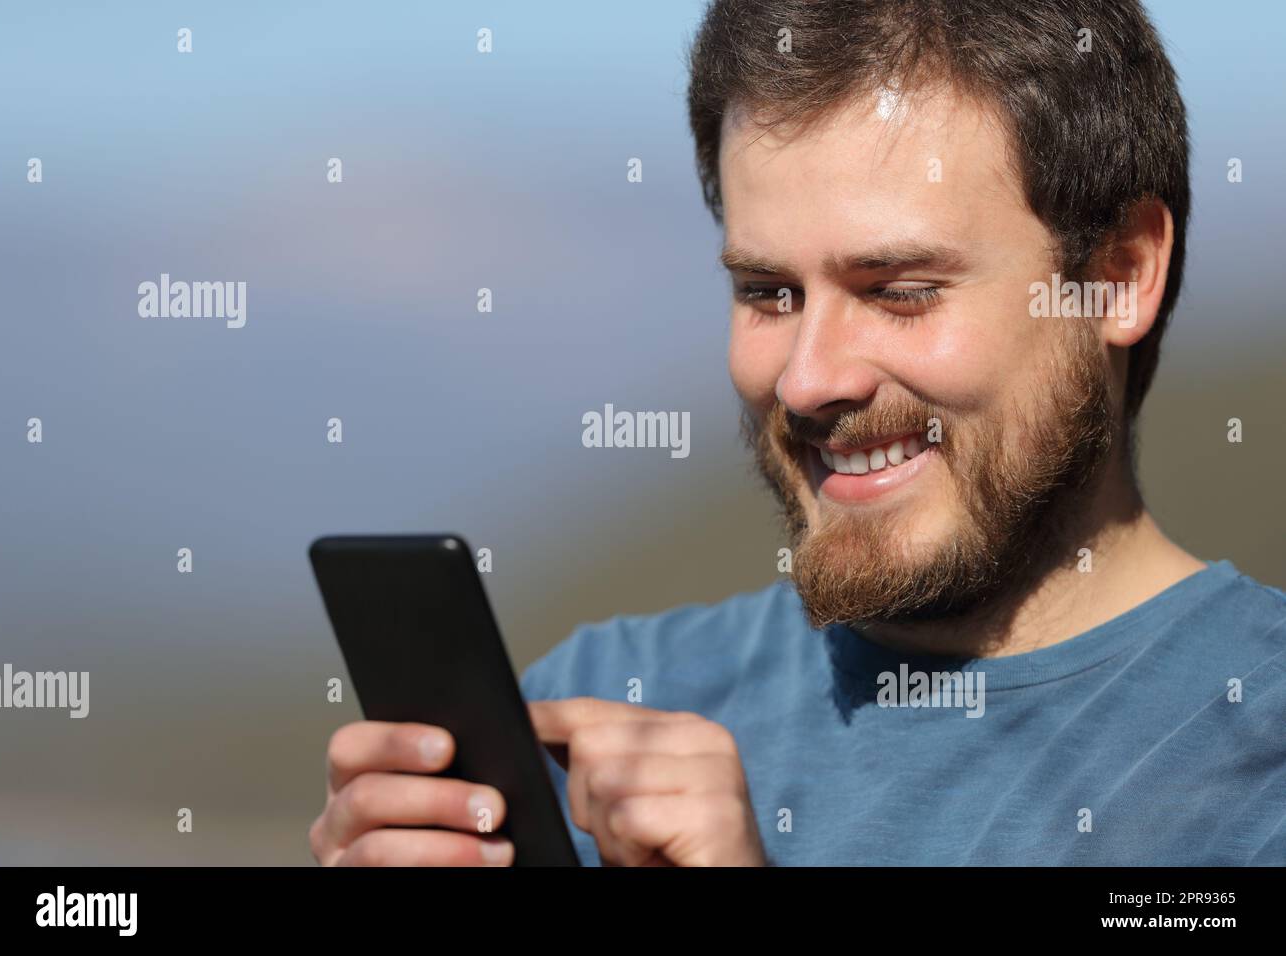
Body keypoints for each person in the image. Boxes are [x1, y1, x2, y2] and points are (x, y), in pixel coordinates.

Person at [308, 0, 1286, 866]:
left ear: (1116, 275)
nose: (809, 378)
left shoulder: (1256, 750)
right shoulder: (599, 714)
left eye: (899, 292)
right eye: (766, 292)